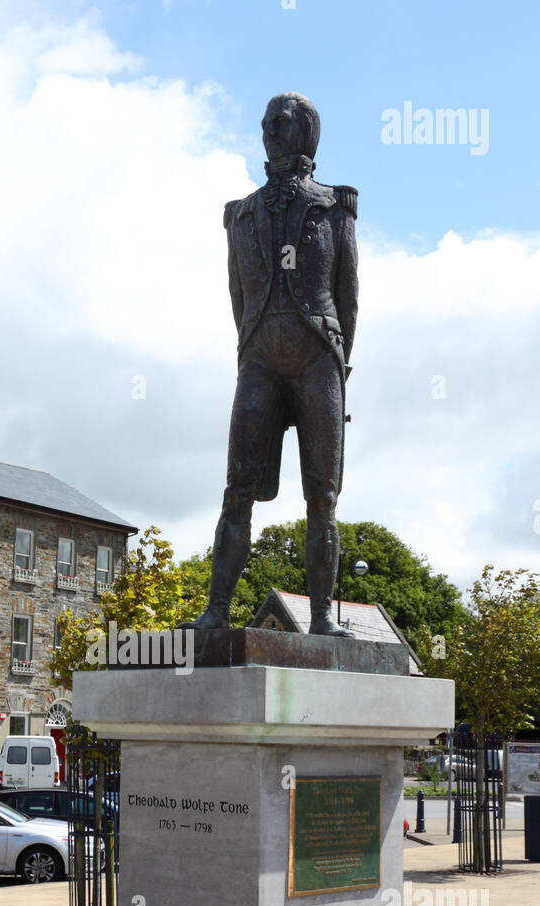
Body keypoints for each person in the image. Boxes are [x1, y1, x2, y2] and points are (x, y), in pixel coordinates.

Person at [185, 92, 359, 635]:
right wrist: (253, 346)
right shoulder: (240, 213)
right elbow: (236, 295)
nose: (270, 132)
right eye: (264, 125)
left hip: (317, 354)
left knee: (322, 495)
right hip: (259, 354)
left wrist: (335, 360)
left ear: (306, 130)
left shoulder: (334, 206)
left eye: (280, 123)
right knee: (236, 486)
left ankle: (321, 621)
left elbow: (347, 293)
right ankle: (216, 611)